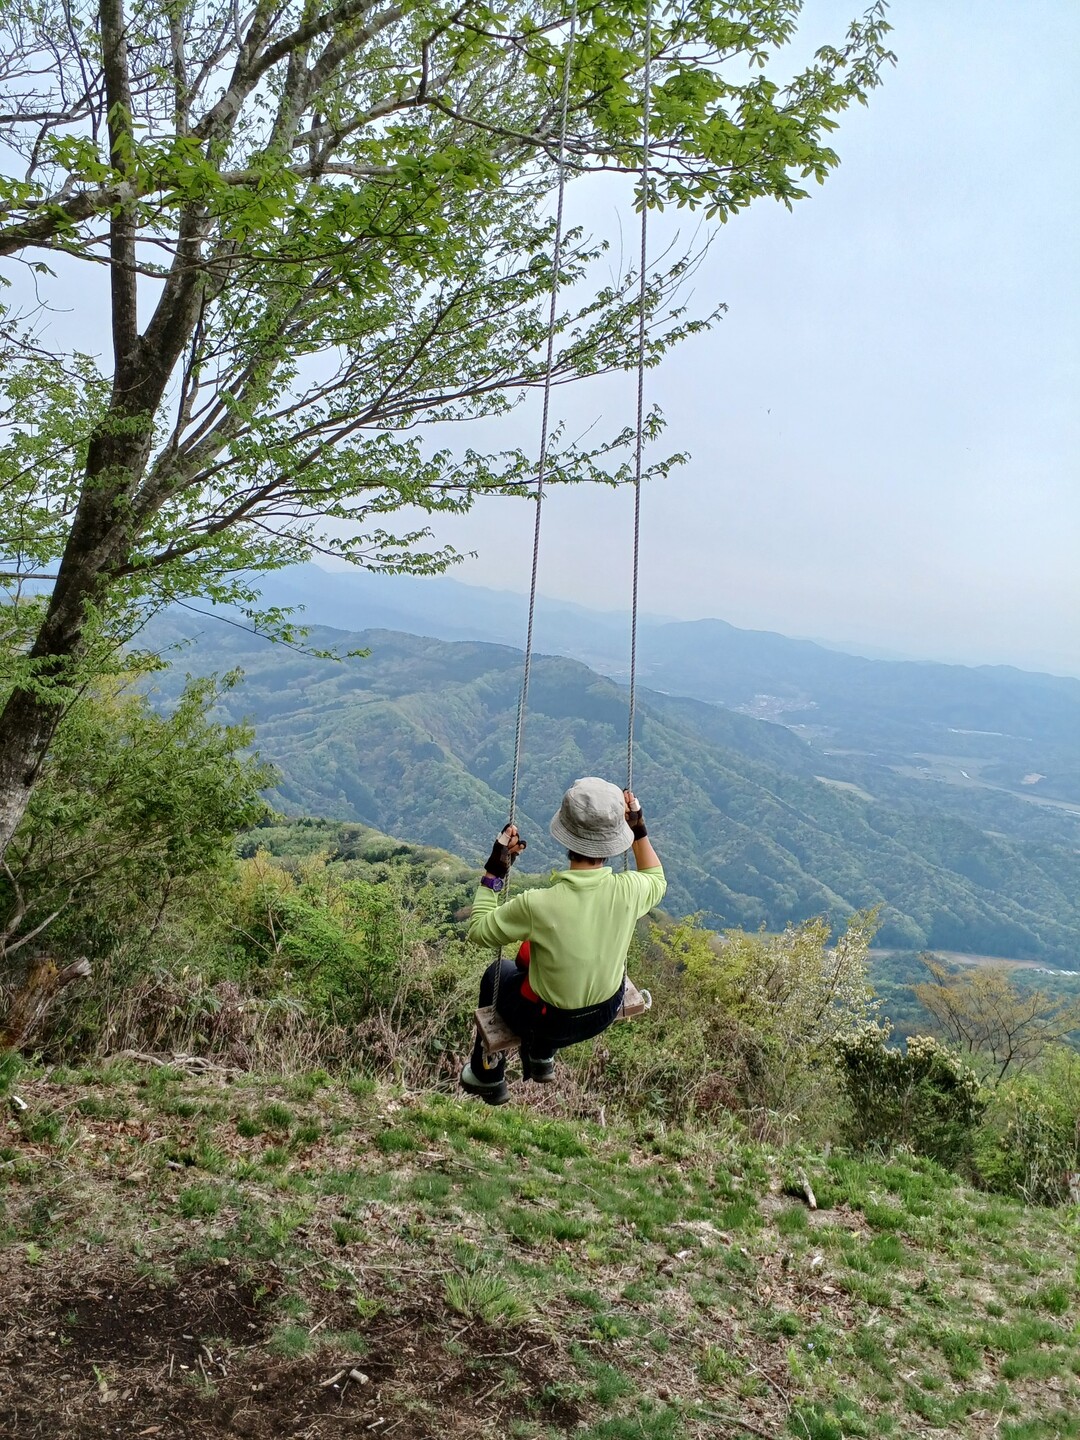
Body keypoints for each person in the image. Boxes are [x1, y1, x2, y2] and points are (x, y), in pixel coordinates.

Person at [460, 777, 666, 1105]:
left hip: (548, 1021)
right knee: (534, 962)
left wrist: (495, 872)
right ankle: (541, 1057)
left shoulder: (540, 903)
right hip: (603, 1014)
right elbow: (656, 877)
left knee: (497, 972)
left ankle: (488, 1075)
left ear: (565, 834)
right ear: (615, 839)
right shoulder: (629, 890)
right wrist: (638, 828)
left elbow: (480, 930)